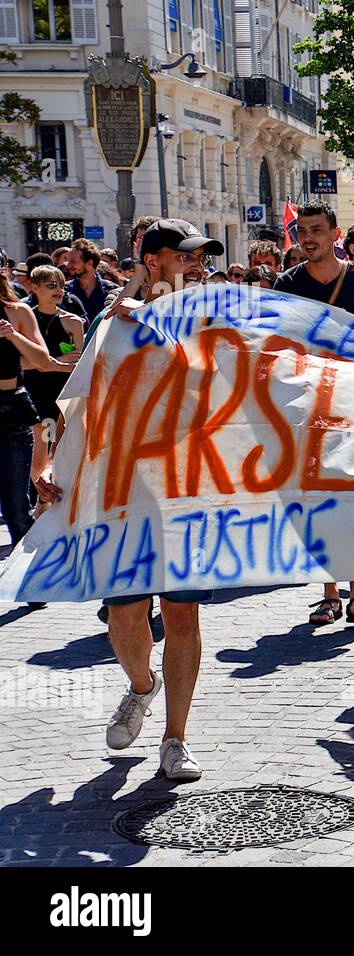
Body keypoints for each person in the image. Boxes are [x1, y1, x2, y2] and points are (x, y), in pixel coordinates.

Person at [34, 217, 222, 781]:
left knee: (183, 614)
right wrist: (50, 463)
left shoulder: (208, 321)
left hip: (188, 487)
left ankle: (176, 738)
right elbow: (78, 404)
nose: (195, 265)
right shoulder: (111, 327)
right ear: (151, 261)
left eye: (198, 257)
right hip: (121, 489)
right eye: (184, 256)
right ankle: (142, 686)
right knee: (124, 616)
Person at [272, 201, 354, 626]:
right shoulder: (287, 282)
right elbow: (278, 342)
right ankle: (328, 593)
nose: (308, 237)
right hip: (306, 407)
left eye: (316, 229)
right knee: (317, 501)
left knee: (352, 499)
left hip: (353, 405)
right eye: (303, 230)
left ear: (335, 235)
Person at [0, 274, 75, 549]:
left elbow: (43, 361)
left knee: (17, 509)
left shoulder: (17, 311)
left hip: (11, 410)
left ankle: (31, 577)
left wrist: (13, 335)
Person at [23, 264, 84, 493]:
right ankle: (36, 501)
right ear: (34, 288)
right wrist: (58, 361)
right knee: (38, 454)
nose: (58, 290)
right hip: (32, 393)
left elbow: (77, 367)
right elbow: (20, 362)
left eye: (61, 285)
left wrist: (45, 363)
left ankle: (46, 501)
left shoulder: (73, 322)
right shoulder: (26, 318)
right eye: (51, 285)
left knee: (57, 453)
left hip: (61, 395)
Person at [64, 238, 119, 319]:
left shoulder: (112, 290)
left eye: (73, 262)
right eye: (68, 261)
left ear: (89, 263)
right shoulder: (65, 291)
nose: (68, 266)